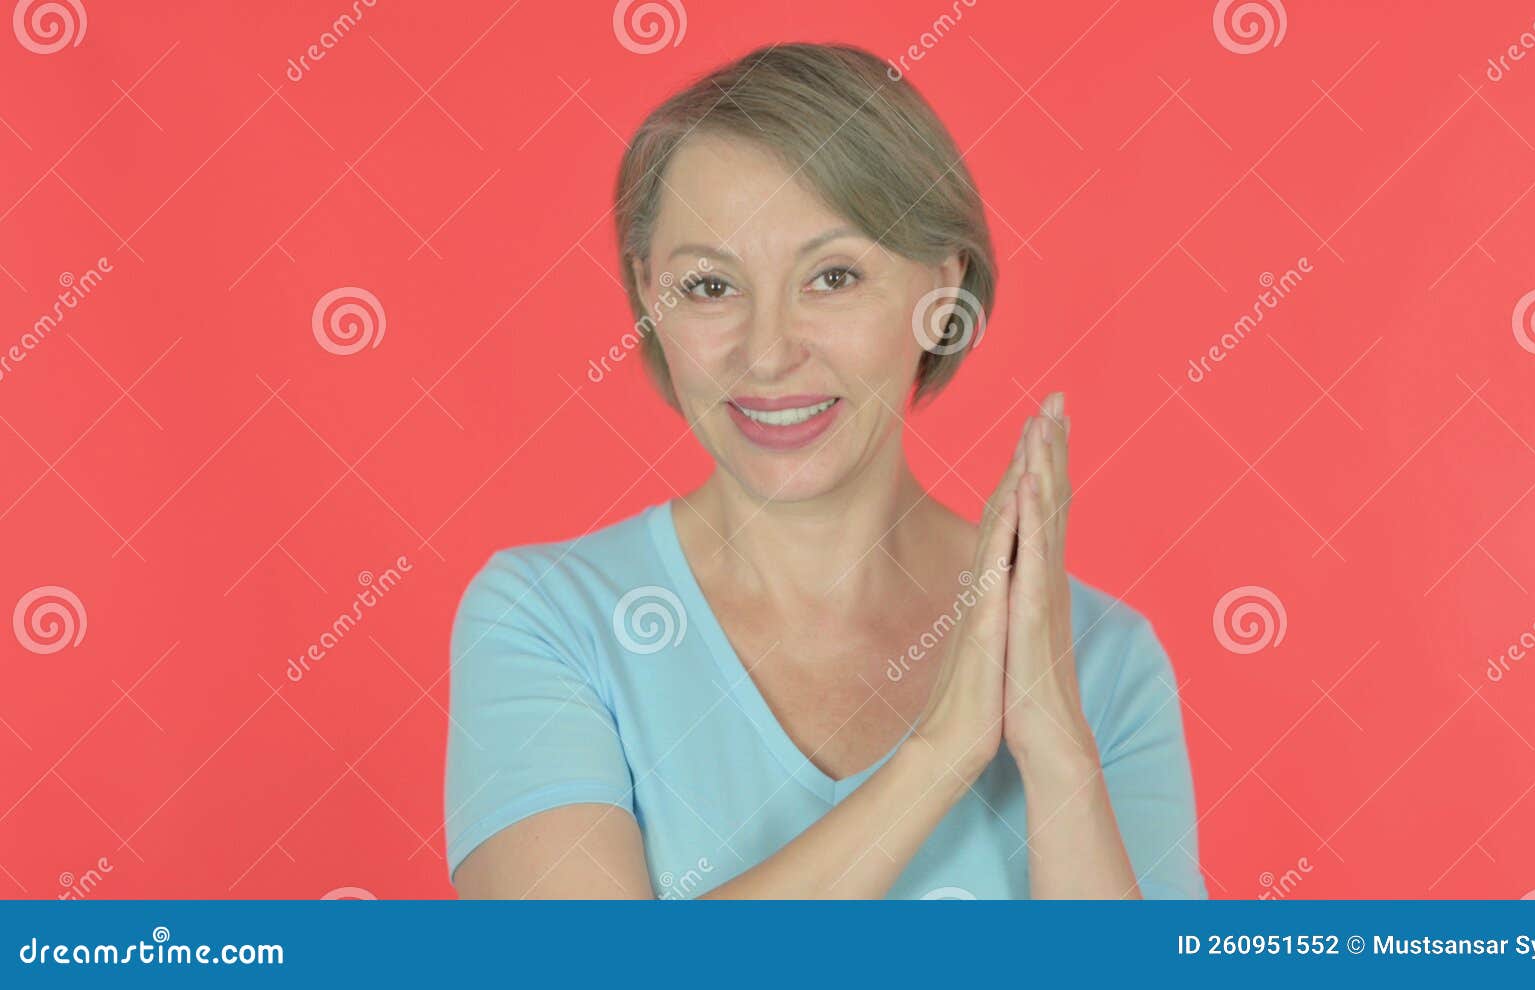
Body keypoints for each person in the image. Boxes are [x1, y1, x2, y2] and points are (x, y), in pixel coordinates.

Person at [444, 42, 1204, 899]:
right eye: (708, 287)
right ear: (649, 298)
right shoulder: (549, 620)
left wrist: (1058, 748)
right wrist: (940, 755)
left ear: (941, 296)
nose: (767, 354)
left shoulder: (1105, 661)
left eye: (833, 276)